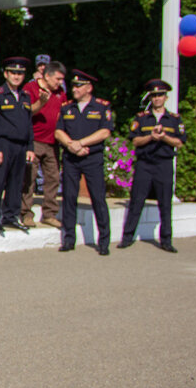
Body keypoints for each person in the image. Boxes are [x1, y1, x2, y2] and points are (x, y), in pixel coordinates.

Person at [119, 79, 184, 253]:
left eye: (160, 95)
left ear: (166, 98)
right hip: (145, 164)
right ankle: (127, 237)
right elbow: (135, 141)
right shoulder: (141, 118)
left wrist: (164, 137)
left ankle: (166, 240)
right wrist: (151, 137)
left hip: (163, 164)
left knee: (165, 203)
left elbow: (179, 143)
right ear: (150, 98)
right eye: (154, 96)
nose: (157, 99)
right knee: (136, 201)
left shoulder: (174, 119)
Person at [54, 69, 114, 255]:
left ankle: (103, 241)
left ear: (89, 87)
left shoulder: (102, 107)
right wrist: (71, 145)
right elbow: (58, 131)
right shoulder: (67, 107)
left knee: (98, 198)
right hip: (71, 158)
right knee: (69, 198)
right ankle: (68, 239)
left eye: (79, 86)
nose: (75, 88)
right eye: (73, 85)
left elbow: (105, 132)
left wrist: (82, 143)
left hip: (92, 158)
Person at [0, 57, 35, 235]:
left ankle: (11, 216)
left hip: (21, 146)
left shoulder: (25, 96)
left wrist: (30, 147)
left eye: (20, 73)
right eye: (13, 72)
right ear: (5, 74)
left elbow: (28, 123)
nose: (16, 76)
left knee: (16, 182)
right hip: (3, 144)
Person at [21, 61, 67, 228]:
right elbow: (26, 112)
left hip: (52, 141)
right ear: (47, 76)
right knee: (29, 178)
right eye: (58, 79)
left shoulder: (60, 92)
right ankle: (26, 212)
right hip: (34, 140)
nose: (60, 82)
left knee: (53, 178)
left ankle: (50, 213)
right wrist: (41, 101)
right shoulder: (31, 88)